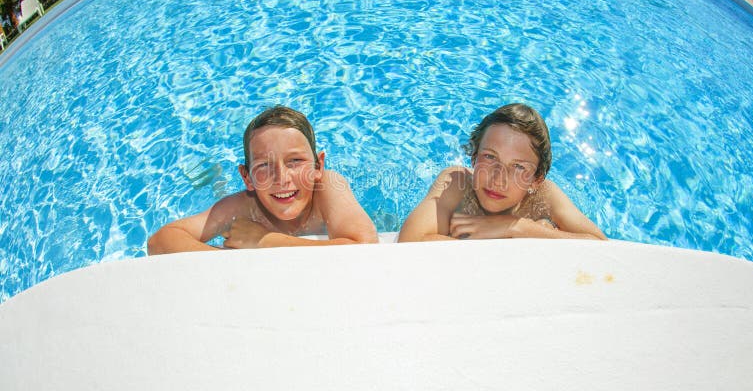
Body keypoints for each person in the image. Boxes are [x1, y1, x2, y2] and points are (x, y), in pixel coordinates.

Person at [148, 105, 378, 254]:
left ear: (318, 165)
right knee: (222, 195)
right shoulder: (244, 207)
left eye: (295, 161)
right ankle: (213, 177)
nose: (281, 178)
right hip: (251, 204)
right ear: (246, 177)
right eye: (264, 166)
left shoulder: (326, 187)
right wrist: (224, 259)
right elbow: (159, 241)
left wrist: (264, 241)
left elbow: (364, 249)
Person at [398, 103, 606, 242]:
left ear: (536, 180)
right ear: (474, 157)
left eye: (518, 167)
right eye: (490, 157)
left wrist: (520, 228)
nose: (498, 179)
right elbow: (410, 242)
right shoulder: (457, 183)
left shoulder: (544, 196)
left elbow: (600, 245)